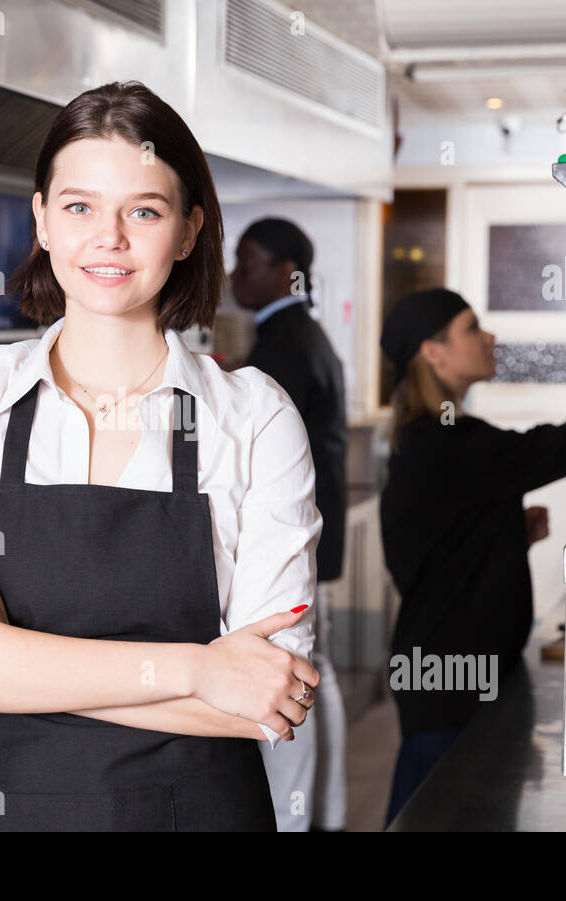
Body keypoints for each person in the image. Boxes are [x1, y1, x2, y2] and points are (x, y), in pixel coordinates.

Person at [0, 81, 323, 832]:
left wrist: (10, 656)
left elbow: (268, 697)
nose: (108, 239)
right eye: (79, 206)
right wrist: (197, 669)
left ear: (188, 231)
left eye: (144, 211)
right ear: (42, 221)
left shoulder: (254, 415)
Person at [378, 288, 566, 827]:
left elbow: (437, 546)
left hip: (448, 673)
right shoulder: (447, 442)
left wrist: (504, 532)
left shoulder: (434, 440)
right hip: (447, 679)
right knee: (435, 817)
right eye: (472, 327)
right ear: (434, 351)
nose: (489, 337)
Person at [231, 218, 348, 832]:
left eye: (247, 261)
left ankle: (295, 820)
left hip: (294, 545)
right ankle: (324, 813)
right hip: (315, 542)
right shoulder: (307, 333)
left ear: (284, 271)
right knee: (313, 680)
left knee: (288, 683)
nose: (233, 274)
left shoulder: (281, 343)